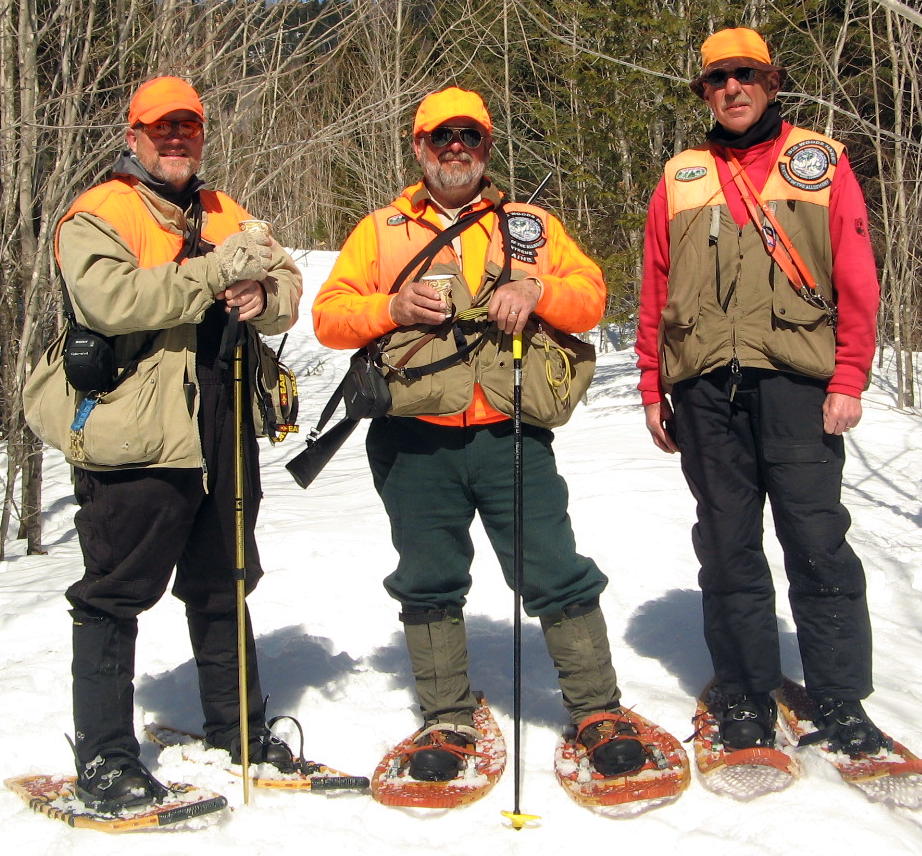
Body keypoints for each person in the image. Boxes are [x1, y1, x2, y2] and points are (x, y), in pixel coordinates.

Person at [313, 87, 647, 783]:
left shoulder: (528, 223)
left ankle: (597, 709)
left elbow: (592, 296)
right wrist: (391, 305)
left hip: (510, 434)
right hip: (413, 441)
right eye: (442, 137)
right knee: (428, 580)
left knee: (554, 568)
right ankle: (446, 717)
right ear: (418, 148)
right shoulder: (379, 230)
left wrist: (539, 293)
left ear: (487, 147)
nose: (456, 147)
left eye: (470, 136)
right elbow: (329, 318)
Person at [53, 76, 303, 810]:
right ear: (132, 136)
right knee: (114, 589)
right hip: (137, 428)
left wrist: (263, 298)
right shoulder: (98, 213)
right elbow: (111, 299)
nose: (176, 139)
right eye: (161, 129)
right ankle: (103, 758)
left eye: (187, 128)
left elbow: (287, 280)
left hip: (222, 418)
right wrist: (214, 273)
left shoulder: (228, 211)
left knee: (224, 576)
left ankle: (239, 730)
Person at [635, 28, 886, 755]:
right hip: (707, 391)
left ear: (772, 82)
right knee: (727, 547)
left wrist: (850, 376)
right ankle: (745, 690)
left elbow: (858, 277)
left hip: (798, 386)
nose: (732, 89)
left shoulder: (821, 162)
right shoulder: (681, 175)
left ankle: (841, 699)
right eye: (718, 80)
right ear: (705, 93)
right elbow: (654, 284)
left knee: (817, 545)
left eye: (746, 75)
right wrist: (653, 386)